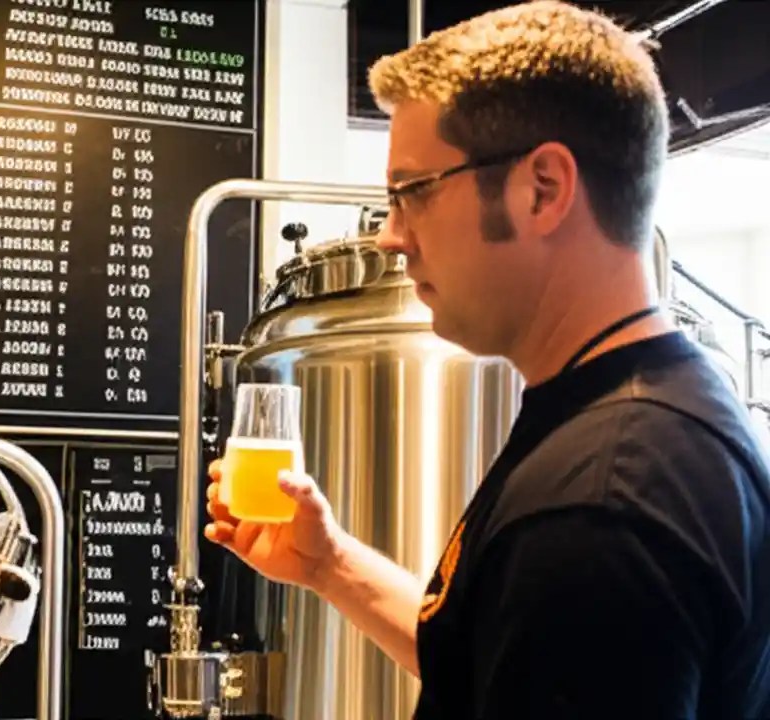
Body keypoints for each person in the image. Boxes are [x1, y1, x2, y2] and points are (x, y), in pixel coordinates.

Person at [204, 2, 770, 718]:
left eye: (412, 194)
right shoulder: (646, 415)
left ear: (544, 190)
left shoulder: (601, 504)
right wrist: (331, 564)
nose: (391, 238)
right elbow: (497, 661)